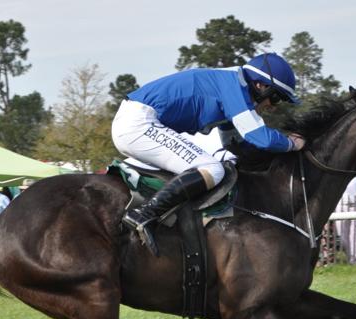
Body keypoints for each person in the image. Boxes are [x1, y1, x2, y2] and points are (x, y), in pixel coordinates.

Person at [112, 52, 305, 255]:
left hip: (137, 122)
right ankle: (144, 215)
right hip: (139, 124)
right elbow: (259, 136)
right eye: (276, 99)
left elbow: (236, 144)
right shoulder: (233, 87)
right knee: (211, 169)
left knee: (216, 166)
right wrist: (291, 143)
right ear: (260, 86)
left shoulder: (232, 85)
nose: (273, 107)